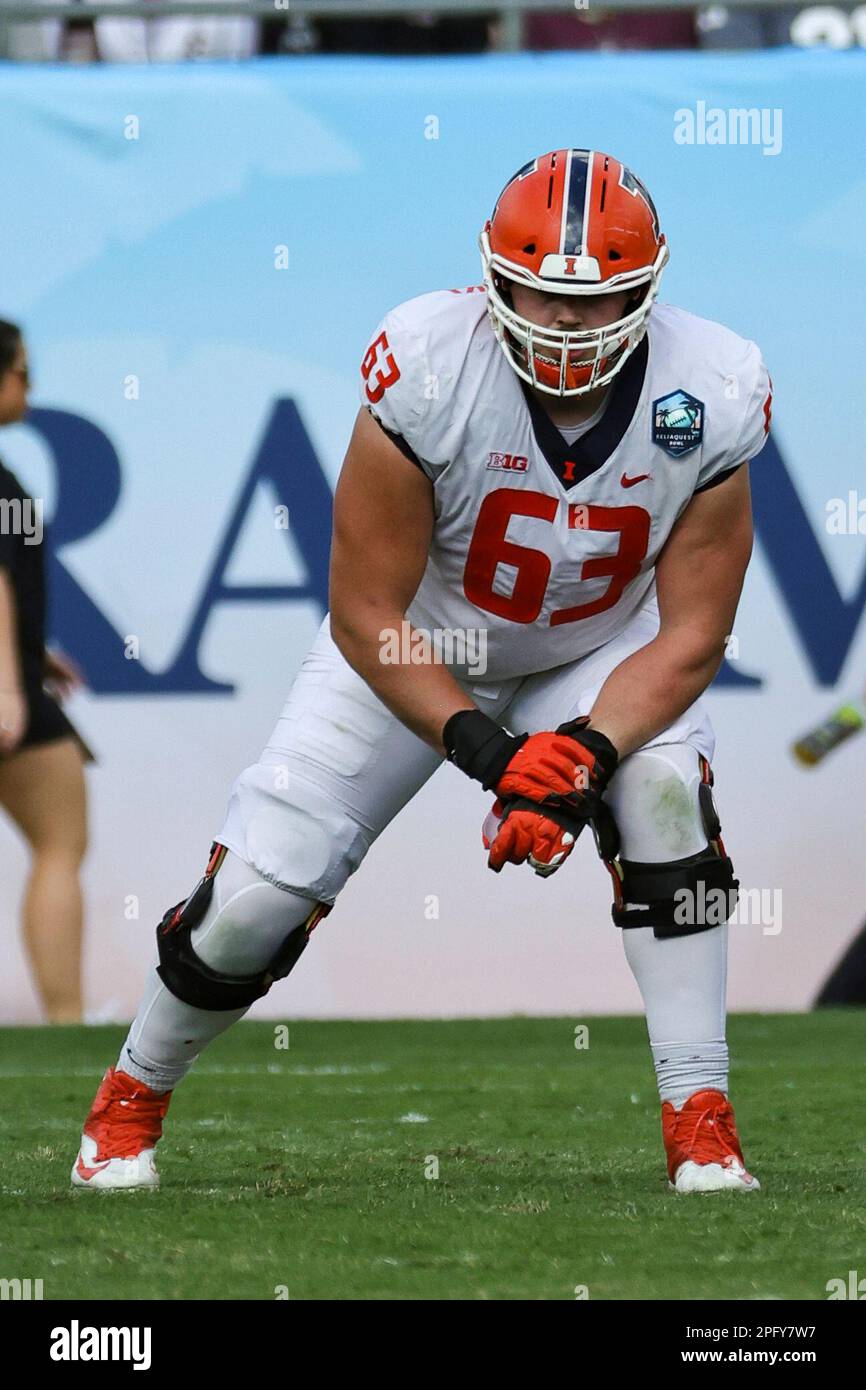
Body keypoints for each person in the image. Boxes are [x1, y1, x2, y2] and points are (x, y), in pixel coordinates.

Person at [71, 148, 771, 1194]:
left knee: (667, 796)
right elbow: (364, 610)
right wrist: (494, 758)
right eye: (540, 294)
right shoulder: (428, 363)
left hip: (590, 653)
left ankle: (699, 1116)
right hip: (420, 645)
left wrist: (577, 752)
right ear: (493, 275)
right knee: (259, 894)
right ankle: (130, 1095)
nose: (565, 325)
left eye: (596, 302)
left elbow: (691, 633)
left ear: (647, 288)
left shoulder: (708, 386)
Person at [0, 320, 92, 1023]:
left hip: (19, 674)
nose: (30, 385)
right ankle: (64, 1020)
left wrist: (35, 652)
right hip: (9, 695)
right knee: (61, 845)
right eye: (22, 370)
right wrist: (10, 684)